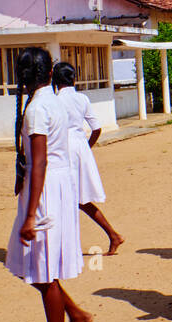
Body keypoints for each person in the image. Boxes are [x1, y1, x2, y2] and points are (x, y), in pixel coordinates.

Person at [6, 47, 92, 322]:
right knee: (33, 264)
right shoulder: (52, 100)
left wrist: (30, 215)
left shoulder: (38, 108)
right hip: (53, 186)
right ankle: (74, 313)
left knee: (42, 270)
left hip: (45, 191)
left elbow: (39, 160)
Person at [52, 61, 124, 255]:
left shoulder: (54, 101)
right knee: (78, 199)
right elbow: (97, 128)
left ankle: (67, 246)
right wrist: (87, 147)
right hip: (80, 147)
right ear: (73, 78)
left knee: (64, 198)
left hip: (61, 150)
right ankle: (112, 235)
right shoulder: (82, 98)